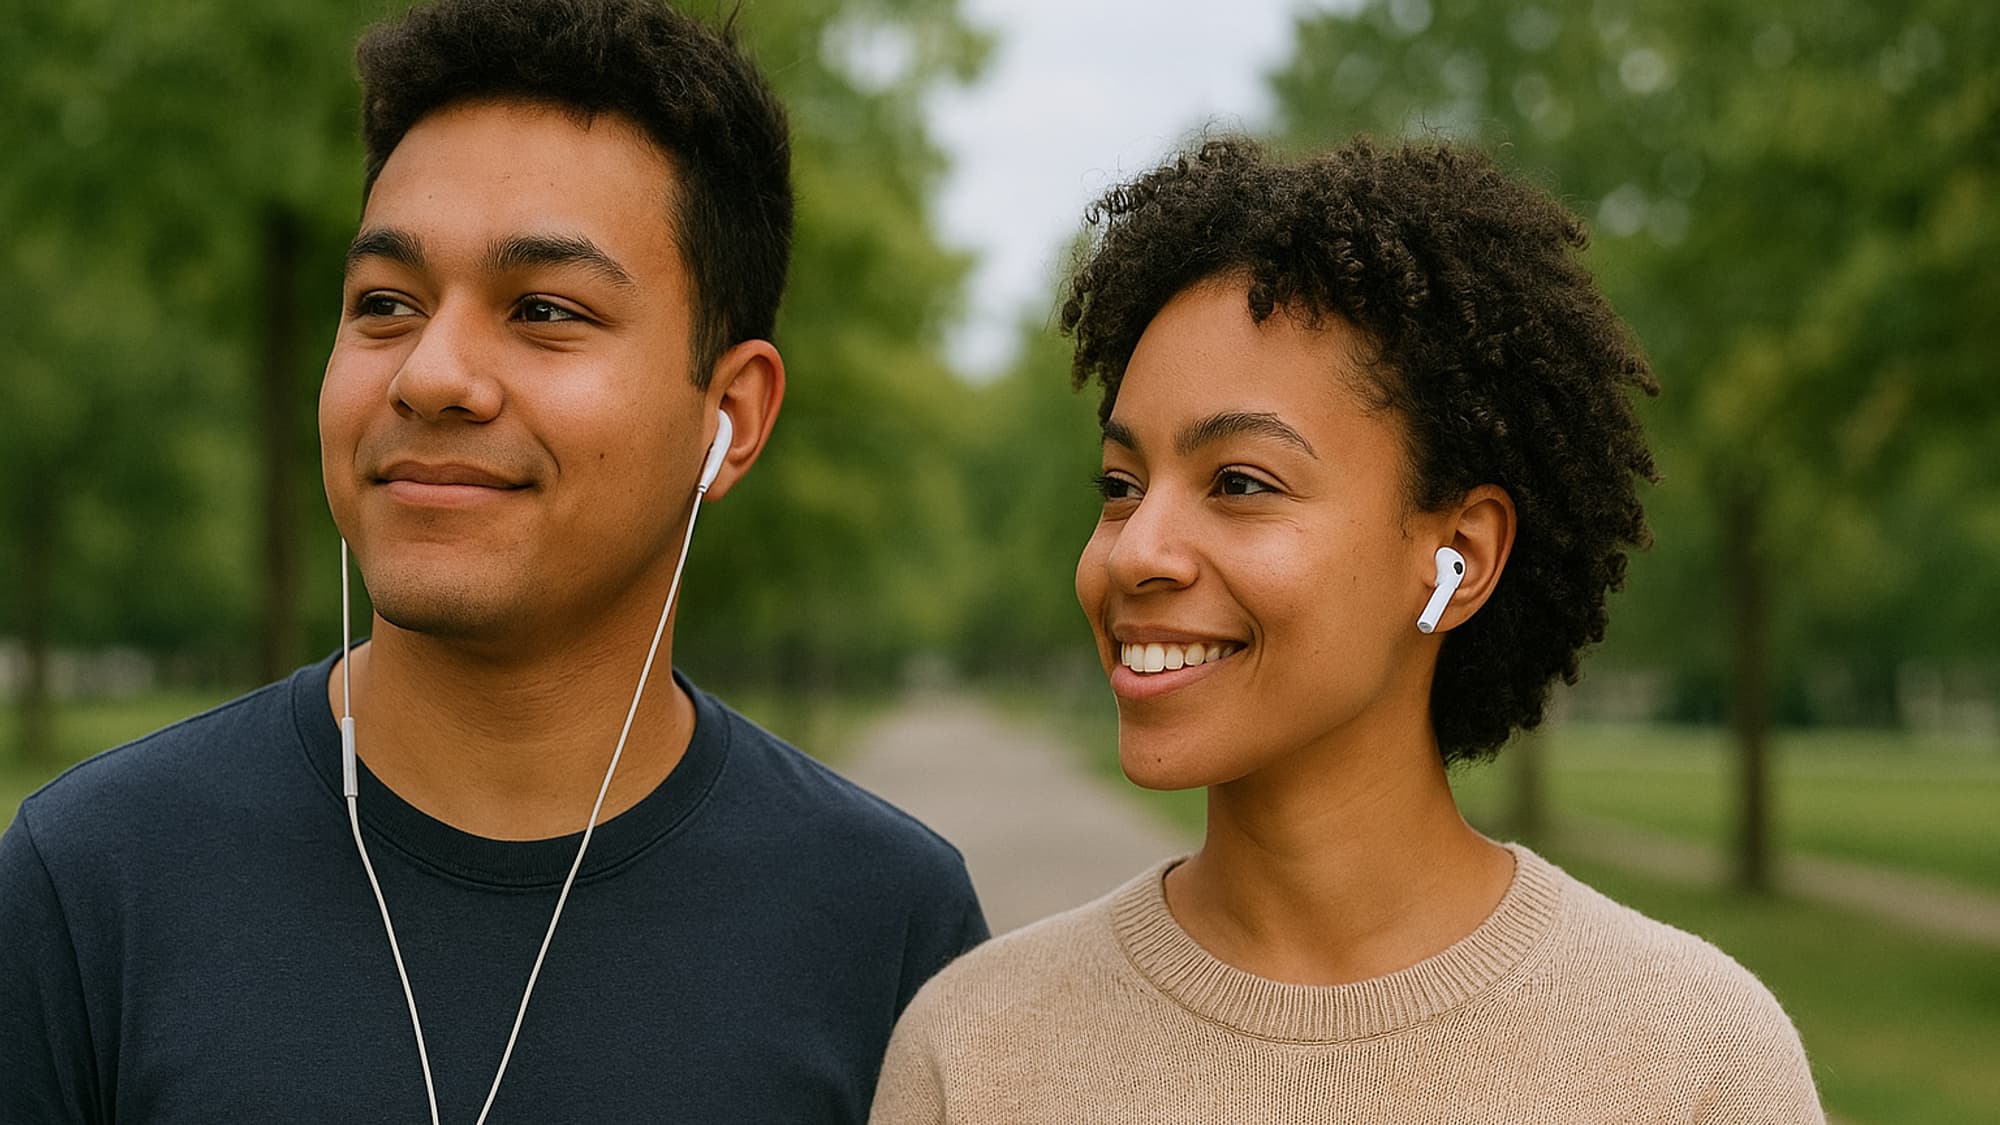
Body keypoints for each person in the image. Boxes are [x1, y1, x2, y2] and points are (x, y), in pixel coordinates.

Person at [0, 2, 985, 1122]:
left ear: (730, 417)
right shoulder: (92, 885)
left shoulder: (888, 927)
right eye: (385, 304)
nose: (431, 373)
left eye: (543, 310)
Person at [871, 136, 1823, 1124]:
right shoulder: (973, 1052)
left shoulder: (1691, 1060)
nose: (1133, 551)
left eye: (1238, 482)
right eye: (1119, 486)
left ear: (1457, 556)